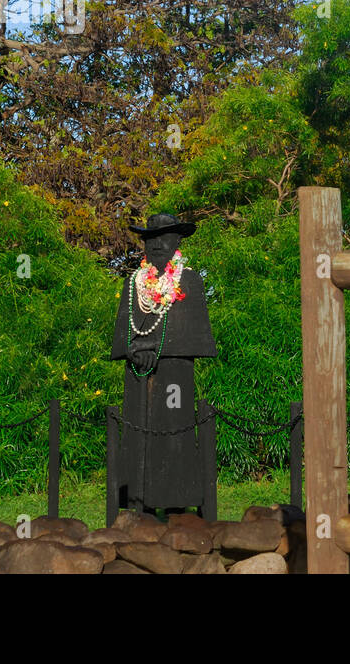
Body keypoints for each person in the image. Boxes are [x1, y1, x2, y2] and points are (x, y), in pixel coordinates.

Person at [109, 213, 216, 516]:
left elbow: (193, 332)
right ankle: (135, 503)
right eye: (150, 239)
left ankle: (175, 502)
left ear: (177, 241)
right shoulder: (134, 283)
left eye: (164, 238)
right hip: (137, 373)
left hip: (175, 375)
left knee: (174, 428)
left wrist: (157, 349)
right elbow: (125, 330)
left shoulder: (189, 280)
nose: (156, 245)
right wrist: (133, 349)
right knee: (136, 428)